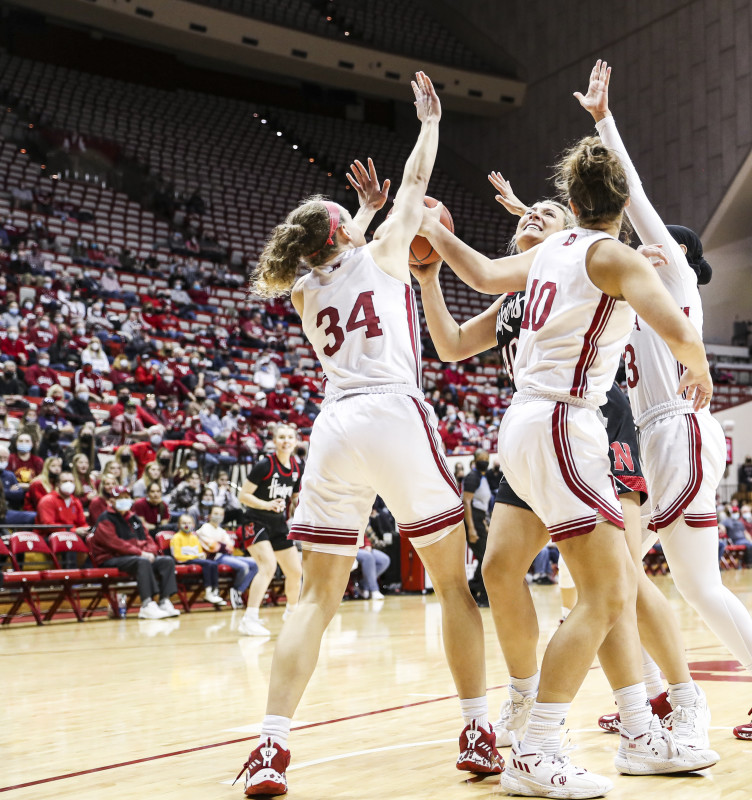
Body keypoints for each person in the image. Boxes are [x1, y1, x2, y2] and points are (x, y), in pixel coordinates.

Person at [417, 63, 721, 793]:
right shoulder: (609, 253)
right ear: (620, 200)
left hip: (530, 426)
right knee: (606, 597)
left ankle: (640, 733)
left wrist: (432, 235)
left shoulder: (549, 251)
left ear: (568, 200)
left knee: (611, 586)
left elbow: (487, 275)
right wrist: (700, 363)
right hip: (563, 422)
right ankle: (539, 746)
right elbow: (677, 323)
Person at [237, 76, 504, 797]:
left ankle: (269, 747)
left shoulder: (303, 289)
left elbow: (331, 253)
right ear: (350, 233)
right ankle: (478, 727)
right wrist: (429, 123)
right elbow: (417, 180)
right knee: (453, 582)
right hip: (392, 412)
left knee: (313, 600)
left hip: (334, 426)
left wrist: (359, 211)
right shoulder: (387, 252)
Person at [576, 59, 752, 739]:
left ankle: (675, 694)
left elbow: (637, 195)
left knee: (638, 572)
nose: (638, 245)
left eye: (651, 242)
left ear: (674, 254)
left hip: (677, 428)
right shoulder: (632, 292)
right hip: (667, 431)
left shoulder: (672, 271)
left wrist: (604, 122)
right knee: (681, 584)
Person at [236, 425, 304, 637]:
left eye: (290, 437)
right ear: (274, 441)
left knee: (295, 571)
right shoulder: (265, 465)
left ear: (295, 441)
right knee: (268, 565)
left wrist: (300, 506)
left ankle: (292, 614)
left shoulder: (296, 466)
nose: (286, 441)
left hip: (278, 524)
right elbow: (243, 496)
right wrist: (266, 505)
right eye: (281, 437)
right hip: (255, 521)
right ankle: (249, 619)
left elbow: (293, 497)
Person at [90, 487, 180, 619]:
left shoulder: (134, 518)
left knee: (166, 561)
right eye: (120, 498)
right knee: (142, 562)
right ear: (111, 501)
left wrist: (150, 552)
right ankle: (147, 605)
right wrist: (141, 553)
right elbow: (115, 544)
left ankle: (164, 601)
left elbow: (148, 539)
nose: (124, 501)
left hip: (134, 557)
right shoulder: (105, 518)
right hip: (110, 559)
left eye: (127, 497)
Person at [196, 505, 257, 608]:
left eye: (221, 514)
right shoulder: (204, 529)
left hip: (227, 556)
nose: (218, 516)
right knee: (244, 566)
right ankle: (236, 590)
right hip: (214, 558)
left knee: (255, 564)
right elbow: (213, 548)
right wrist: (222, 546)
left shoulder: (222, 531)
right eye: (216, 514)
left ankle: (238, 590)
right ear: (210, 515)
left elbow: (231, 548)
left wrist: (221, 545)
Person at [171, 513, 226, 607]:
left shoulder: (194, 537)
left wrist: (201, 555)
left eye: (189, 523)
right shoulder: (176, 537)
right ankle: (208, 592)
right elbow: (177, 556)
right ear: (179, 525)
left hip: (195, 559)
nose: (186, 525)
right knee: (208, 564)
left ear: (193, 524)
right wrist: (194, 556)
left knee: (213, 563)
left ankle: (215, 591)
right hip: (184, 560)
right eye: (184, 523)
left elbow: (200, 552)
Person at [461, 448, 492, 606]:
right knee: (487, 559)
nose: (485, 460)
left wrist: (485, 524)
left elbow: (483, 505)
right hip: (472, 521)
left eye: (487, 458)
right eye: (482, 458)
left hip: (480, 521)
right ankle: (482, 596)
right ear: (475, 460)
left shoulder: (483, 477)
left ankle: (473, 589)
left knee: (485, 558)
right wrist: (471, 528)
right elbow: (467, 502)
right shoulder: (473, 477)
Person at [355, 529, 390, 600]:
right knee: (368, 557)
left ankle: (363, 585)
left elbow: (364, 536)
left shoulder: (360, 520)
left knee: (384, 560)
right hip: (352, 548)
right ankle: (374, 590)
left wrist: (368, 545)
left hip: (364, 548)